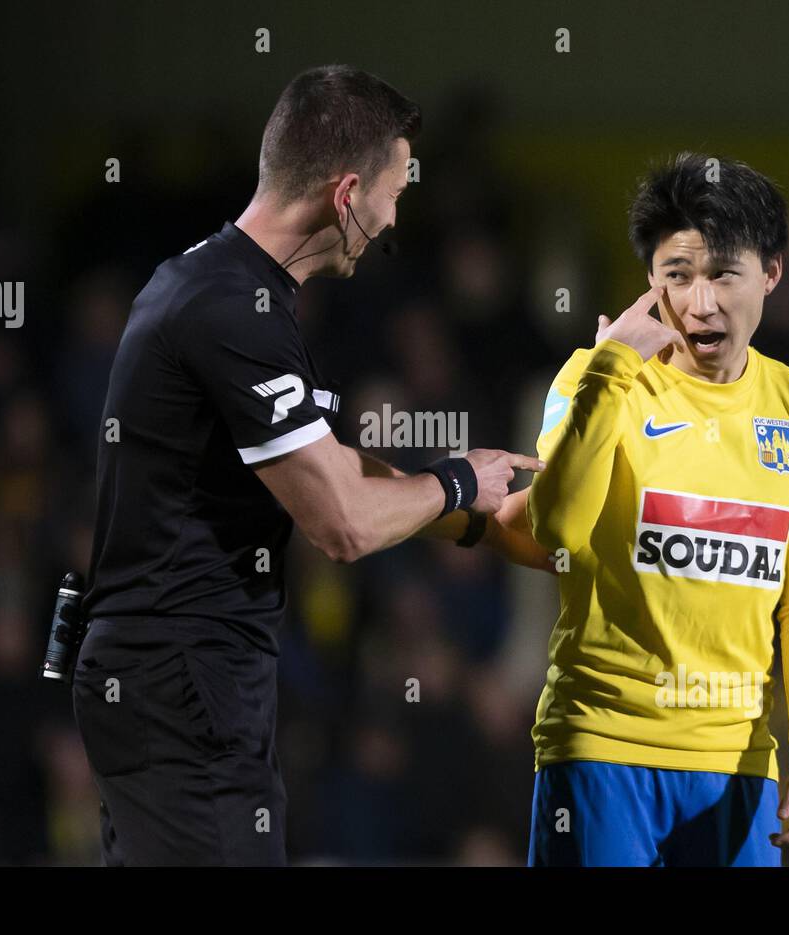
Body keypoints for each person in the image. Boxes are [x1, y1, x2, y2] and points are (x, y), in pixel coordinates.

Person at [72, 64, 546, 866]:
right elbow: (341, 524)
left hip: (172, 684)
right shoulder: (230, 311)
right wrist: (458, 482)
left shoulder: (216, 285)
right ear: (346, 193)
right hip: (183, 688)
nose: (395, 219)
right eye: (393, 194)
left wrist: (467, 516)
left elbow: (327, 467)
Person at [524, 152, 789, 866]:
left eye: (724, 275)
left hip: (738, 767)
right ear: (651, 282)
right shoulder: (597, 377)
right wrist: (610, 369)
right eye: (677, 276)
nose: (700, 303)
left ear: (771, 273)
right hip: (601, 748)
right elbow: (556, 530)